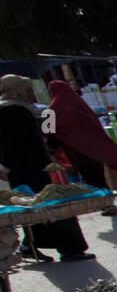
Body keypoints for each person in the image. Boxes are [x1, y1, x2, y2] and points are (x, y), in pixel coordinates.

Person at [0, 75, 94, 261]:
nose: (31, 94)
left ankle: (30, 246)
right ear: (17, 90)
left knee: (33, 209)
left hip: (25, 170)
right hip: (32, 170)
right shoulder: (14, 110)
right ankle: (71, 249)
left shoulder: (17, 109)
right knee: (55, 205)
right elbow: (17, 146)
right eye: (27, 90)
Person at [44, 81, 117, 192]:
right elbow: (95, 123)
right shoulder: (80, 103)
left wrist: (51, 149)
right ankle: (108, 203)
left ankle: (106, 203)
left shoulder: (53, 107)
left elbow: (49, 131)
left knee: (91, 179)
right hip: (94, 148)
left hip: (77, 151)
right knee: (99, 177)